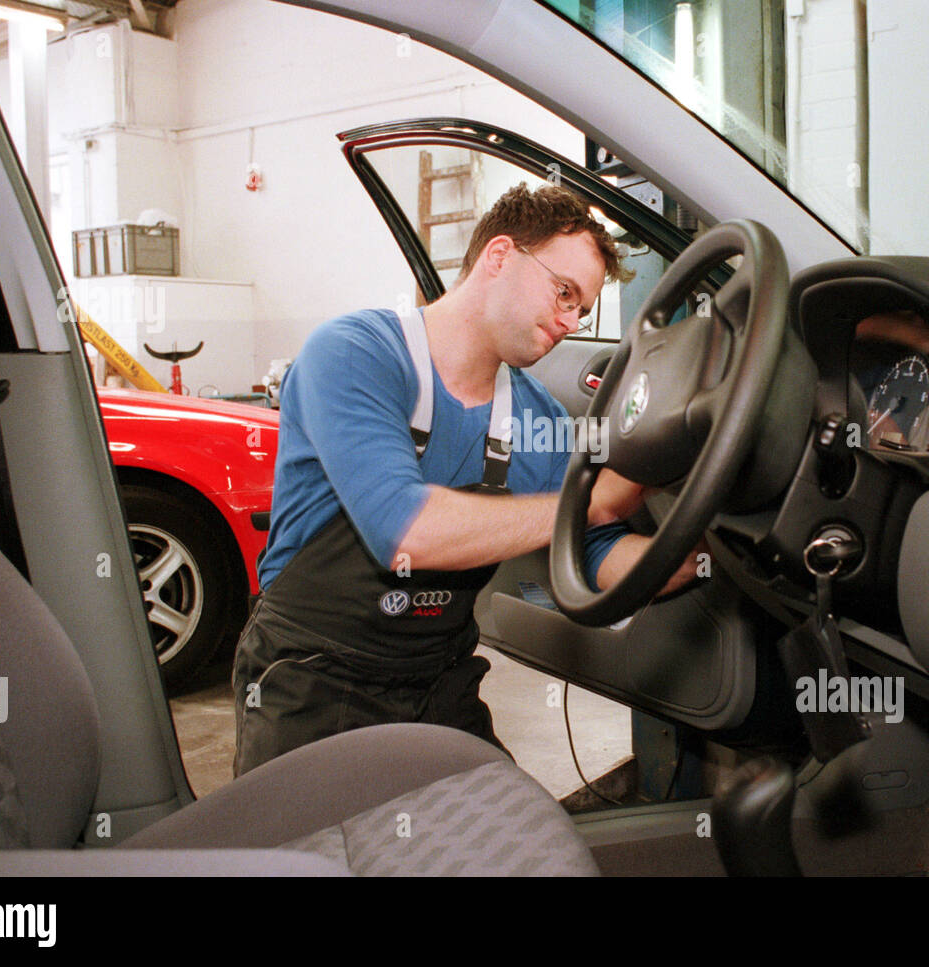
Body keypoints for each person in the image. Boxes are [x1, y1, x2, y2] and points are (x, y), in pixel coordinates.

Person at [233, 183, 703, 775]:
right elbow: (407, 531)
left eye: (581, 309)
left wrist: (689, 553)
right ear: (500, 256)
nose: (568, 321)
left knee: (525, 850)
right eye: (563, 292)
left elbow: (592, 551)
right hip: (309, 680)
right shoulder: (357, 353)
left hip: (438, 682)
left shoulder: (537, 418)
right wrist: (588, 504)